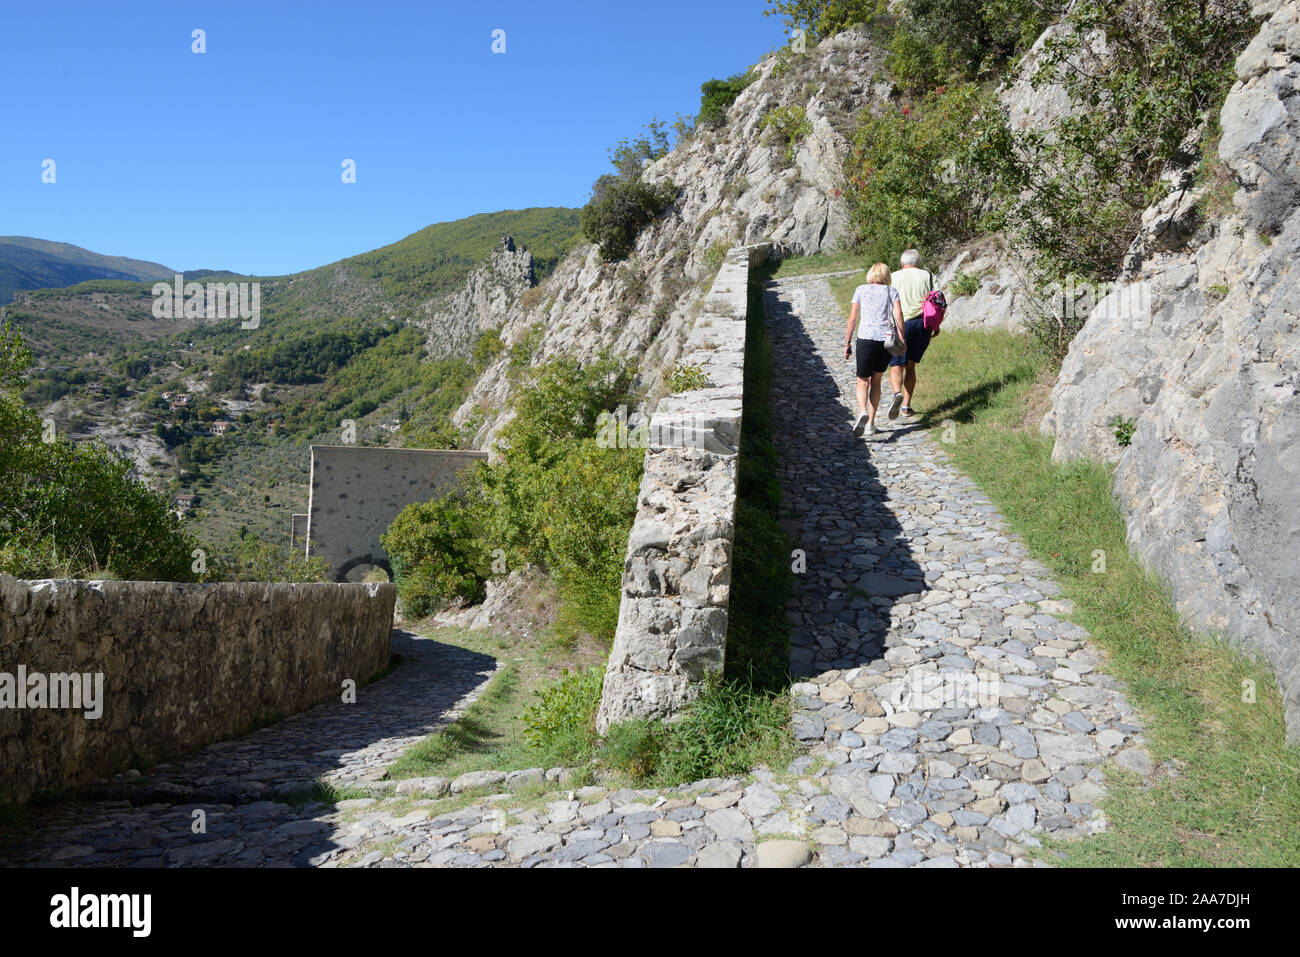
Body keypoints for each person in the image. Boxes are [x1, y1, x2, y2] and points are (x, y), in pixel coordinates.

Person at [844, 262, 906, 438]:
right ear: (887, 276)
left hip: (866, 339)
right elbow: (899, 315)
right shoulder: (891, 291)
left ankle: (862, 411)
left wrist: (847, 342)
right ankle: (870, 424)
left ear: (871, 274)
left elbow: (853, 318)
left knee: (862, 380)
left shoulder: (861, 290)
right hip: (885, 341)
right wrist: (902, 340)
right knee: (876, 381)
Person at [887, 248, 940, 417]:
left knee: (896, 365)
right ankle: (906, 406)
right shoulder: (928, 276)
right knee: (910, 366)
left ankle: (897, 393)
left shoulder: (892, 277)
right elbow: (937, 301)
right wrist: (936, 325)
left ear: (902, 263)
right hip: (921, 324)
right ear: (919, 263)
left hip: (898, 324)